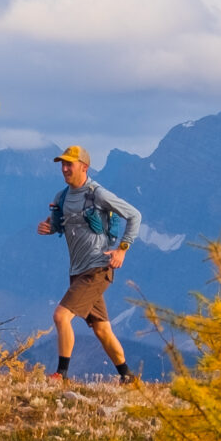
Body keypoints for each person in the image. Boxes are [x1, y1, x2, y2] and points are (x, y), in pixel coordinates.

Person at [37, 145, 142, 382]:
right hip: (77, 270)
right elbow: (59, 225)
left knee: (60, 316)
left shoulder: (98, 194)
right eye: (62, 164)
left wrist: (122, 250)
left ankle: (61, 374)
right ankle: (128, 377)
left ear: (84, 167)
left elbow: (135, 216)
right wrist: (48, 228)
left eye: (69, 164)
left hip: (97, 269)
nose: (64, 168)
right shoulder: (61, 197)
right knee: (102, 329)